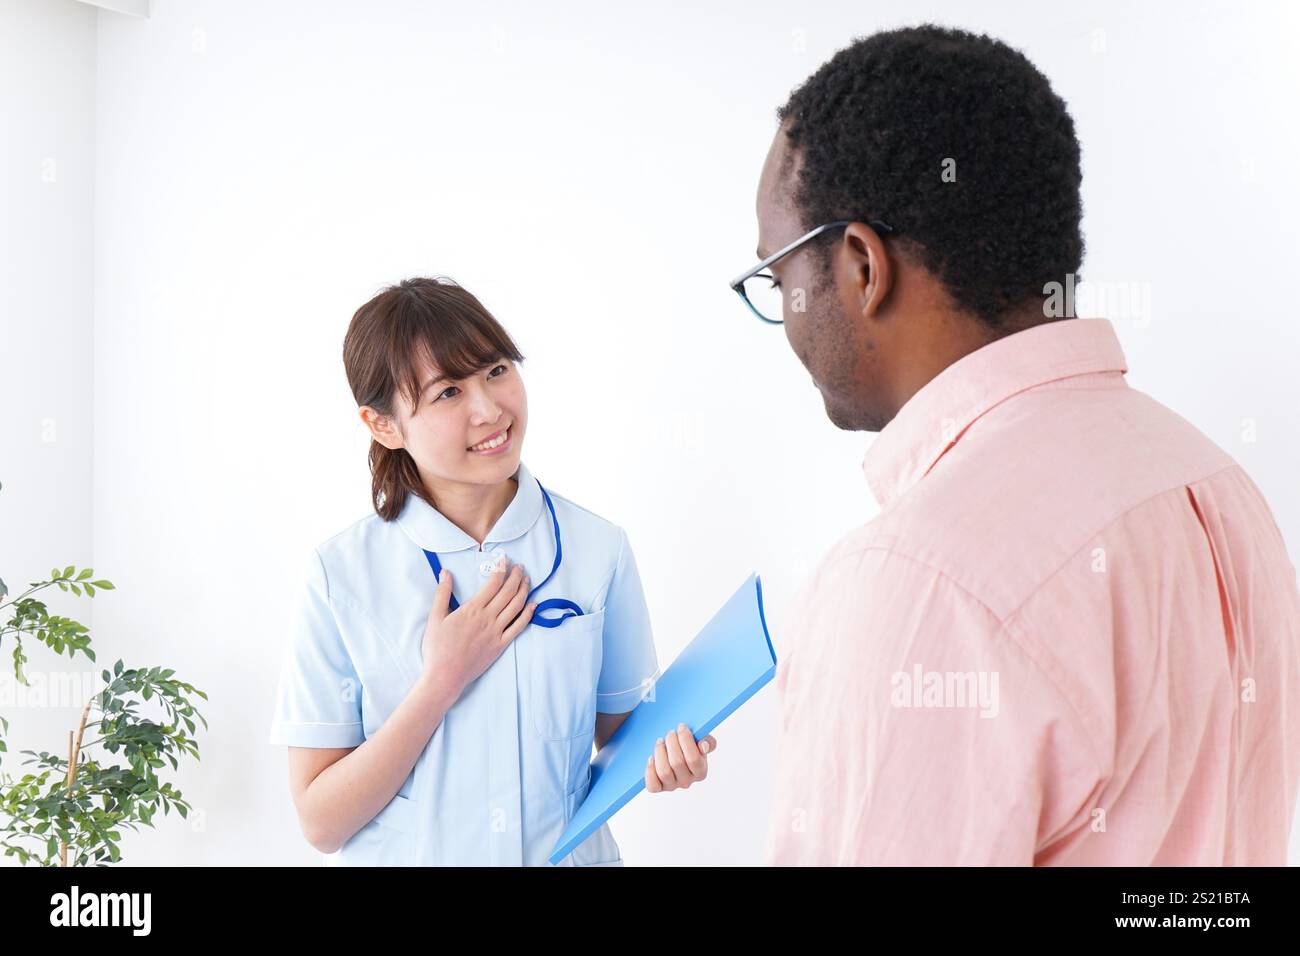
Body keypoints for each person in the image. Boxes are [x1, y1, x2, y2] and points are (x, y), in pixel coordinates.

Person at [735, 24, 1300, 864]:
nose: (781, 314)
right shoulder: (1213, 484)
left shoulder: (916, 582)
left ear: (861, 265)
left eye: (778, 277)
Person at [269, 276, 716, 865]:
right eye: (448, 393)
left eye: (497, 370)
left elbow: (624, 735)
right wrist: (440, 683)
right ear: (383, 425)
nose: (489, 410)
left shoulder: (596, 548)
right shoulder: (341, 574)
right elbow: (321, 823)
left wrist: (671, 754)